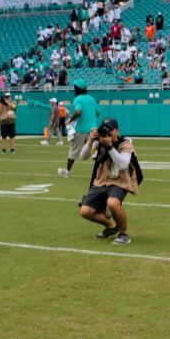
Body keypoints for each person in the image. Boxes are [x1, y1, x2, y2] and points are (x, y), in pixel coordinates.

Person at [76, 118, 140, 246]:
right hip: (101, 181)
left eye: (110, 129)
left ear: (117, 131)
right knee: (85, 211)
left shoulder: (125, 143)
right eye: (105, 129)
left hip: (119, 182)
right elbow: (83, 156)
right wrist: (89, 142)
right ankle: (112, 226)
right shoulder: (98, 141)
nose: (108, 132)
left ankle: (123, 234)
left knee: (112, 203)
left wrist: (110, 146)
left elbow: (122, 164)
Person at [57, 84, 99, 179]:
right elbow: (97, 112)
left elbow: (78, 112)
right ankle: (101, 170)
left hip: (81, 129)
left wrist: (70, 120)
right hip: (93, 129)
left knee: (73, 150)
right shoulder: (92, 99)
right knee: (95, 150)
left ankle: (67, 172)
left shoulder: (78, 99)